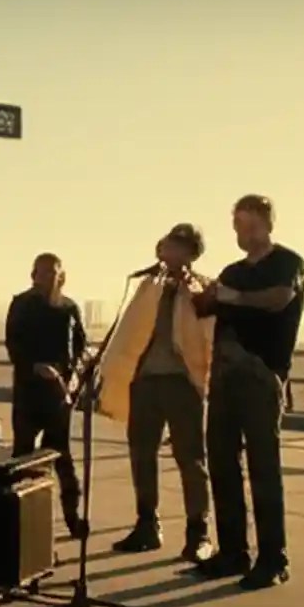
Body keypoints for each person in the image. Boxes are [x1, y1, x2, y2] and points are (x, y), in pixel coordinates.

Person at [192, 194, 304, 589]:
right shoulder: (231, 270)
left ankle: (274, 559)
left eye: (249, 224)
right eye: (237, 225)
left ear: (267, 224)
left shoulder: (287, 263)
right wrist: (197, 288)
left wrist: (233, 297)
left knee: (263, 470)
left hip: (261, 376)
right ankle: (233, 552)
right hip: (223, 379)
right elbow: (203, 307)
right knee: (222, 465)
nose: (242, 232)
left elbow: (279, 299)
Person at [97, 225, 215, 562]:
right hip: (145, 382)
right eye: (166, 245)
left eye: (177, 247)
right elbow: (128, 332)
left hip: (182, 382)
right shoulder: (149, 286)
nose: (167, 251)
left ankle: (198, 531)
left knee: (190, 459)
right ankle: (147, 525)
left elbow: (209, 334)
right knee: (141, 454)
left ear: (190, 253)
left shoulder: (201, 289)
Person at [5, 253, 88, 539]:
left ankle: (72, 517)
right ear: (33, 275)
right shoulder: (22, 304)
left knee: (62, 457)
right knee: (23, 458)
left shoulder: (69, 308)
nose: (46, 278)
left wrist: (70, 376)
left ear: (61, 276)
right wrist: (33, 367)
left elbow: (80, 346)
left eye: (52, 273)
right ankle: (19, 522)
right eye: (41, 272)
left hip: (58, 395)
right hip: (29, 392)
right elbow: (13, 344)